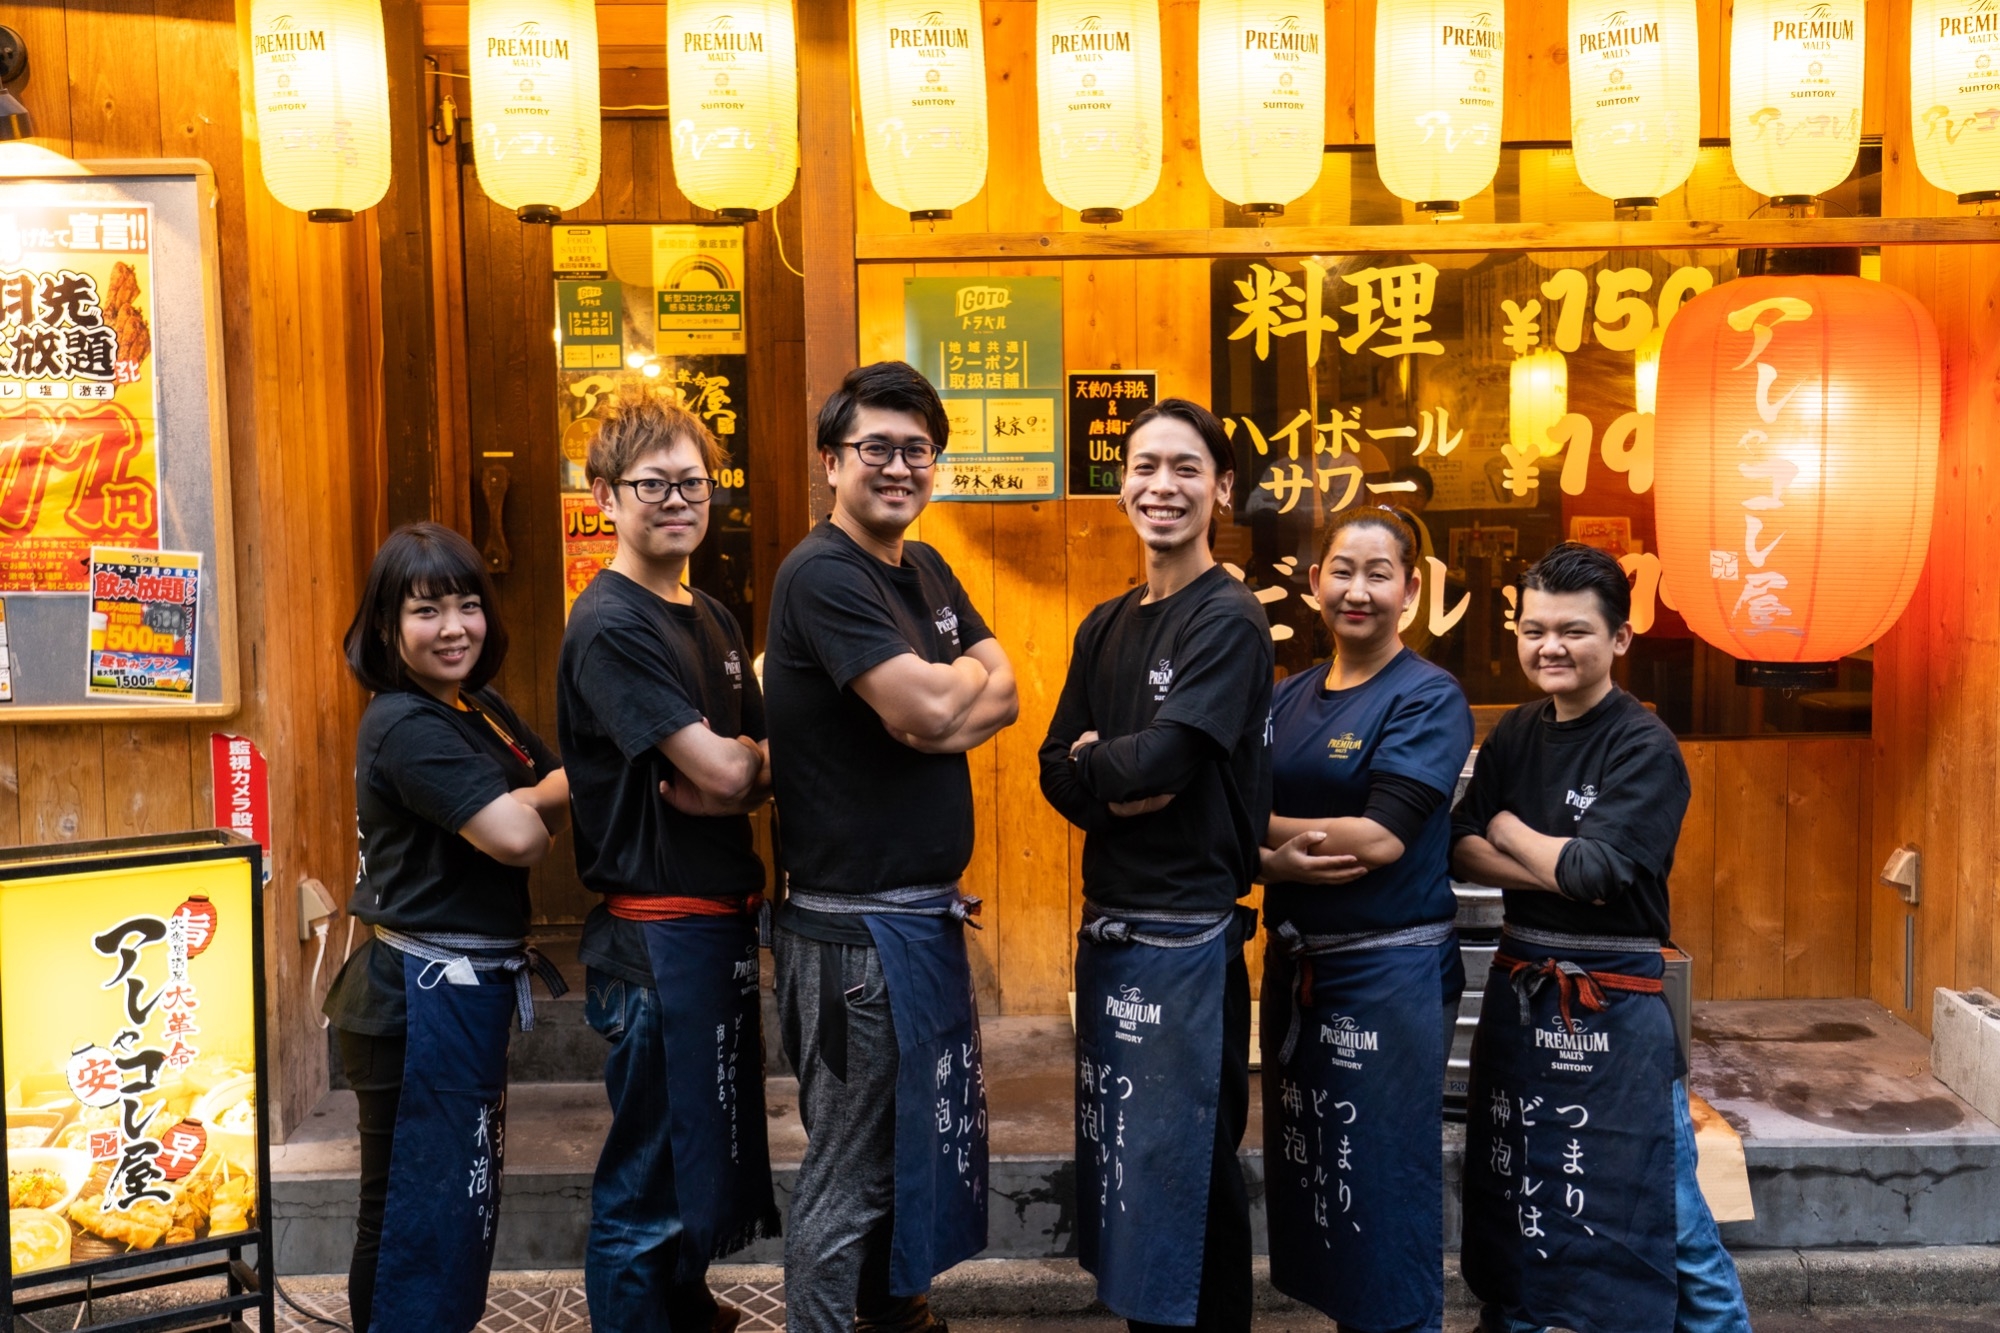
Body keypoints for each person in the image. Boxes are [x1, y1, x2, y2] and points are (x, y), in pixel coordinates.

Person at [764, 361, 1020, 1333]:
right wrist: (938, 703)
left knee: (907, 1152)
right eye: (875, 447)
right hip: (849, 938)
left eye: (917, 449)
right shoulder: (824, 572)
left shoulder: (924, 567)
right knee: (849, 1169)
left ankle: (889, 1316)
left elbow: (1004, 683)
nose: (898, 466)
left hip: (914, 924)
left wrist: (937, 707)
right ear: (832, 460)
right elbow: (925, 703)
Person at [1449, 543, 1750, 1333]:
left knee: (1669, 1212)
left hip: (1614, 1001)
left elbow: (1591, 869)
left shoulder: (1643, 745)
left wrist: (1513, 829)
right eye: (1534, 628)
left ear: (1618, 639)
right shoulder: (1515, 731)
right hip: (1524, 991)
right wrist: (1564, 863)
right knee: (1524, 1193)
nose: (1550, 646)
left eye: (1574, 630)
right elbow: (1460, 845)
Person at [1039, 398, 1272, 1333]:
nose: (1160, 486)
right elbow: (1055, 769)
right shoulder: (1104, 623)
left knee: (1195, 1170)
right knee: (1132, 1157)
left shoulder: (1229, 616)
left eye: (1185, 468)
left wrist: (1105, 763)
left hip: (1188, 935)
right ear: (1120, 483)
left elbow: (1169, 762)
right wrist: (1106, 771)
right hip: (1113, 930)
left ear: (1220, 488)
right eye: (1143, 466)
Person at [557, 397, 780, 1333]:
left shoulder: (714, 614)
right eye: (654, 484)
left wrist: (741, 774)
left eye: (694, 481)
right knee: (648, 1185)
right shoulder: (611, 622)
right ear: (605, 494)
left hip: (711, 923)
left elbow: (756, 767)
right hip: (653, 939)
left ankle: (684, 1315)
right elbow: (734, 765)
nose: (678, 500)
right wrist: (740, 771)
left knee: (697, 1156)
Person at [324, 523, 570, 1333]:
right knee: (401, 1216)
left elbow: (554, 783)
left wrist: (514, 805)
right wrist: (511, 811)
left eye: (469, 604)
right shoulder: (404, 722)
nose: (456, 626)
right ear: (389, 623)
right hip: (410, 1003)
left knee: (450, 1200)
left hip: (461, 995)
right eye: (428, 610)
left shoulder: (477, 706)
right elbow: (522, 836)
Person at [1259, 506, 1473, 1333]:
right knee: (1324, 1174)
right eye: (1342, 570)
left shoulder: (1428, 694)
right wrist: (1262, 844)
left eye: (1379, 573)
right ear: (1314, 584)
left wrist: (1257, 839)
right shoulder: (1287, 696)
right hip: (1298, 967)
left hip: (1387, 976)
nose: (1358, 589)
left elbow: (1381, 837)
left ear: (1410, 592)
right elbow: (1227, 806)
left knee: (1383, 1183)